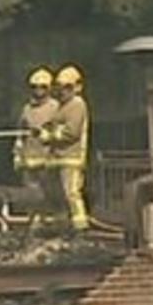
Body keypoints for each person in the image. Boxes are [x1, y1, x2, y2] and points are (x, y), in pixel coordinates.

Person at [41, 65, 91, 237]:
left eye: (67, 87)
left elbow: (71, 132)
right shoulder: (61, 106)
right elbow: (54, 125)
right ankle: (62, 226)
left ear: (77, 86)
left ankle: (80, 228)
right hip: (57, 158)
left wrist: (49, 136)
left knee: (72, 193)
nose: (63, 91)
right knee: (58, 195)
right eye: (60, 86)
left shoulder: (77, 104)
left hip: (72, 157)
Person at [12, 67, 60, 234]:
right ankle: (34, 223)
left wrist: (48, 135)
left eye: (42, 87)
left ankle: (52, 224)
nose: (38, 91)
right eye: (35, 87)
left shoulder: (56, 108)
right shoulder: (27, 109)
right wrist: (17, 154)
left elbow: (63, 132)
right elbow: (20, 133)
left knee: (49, 193)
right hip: (29, 159)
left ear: (49, 88)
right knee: (31, 194)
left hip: (48, 159)